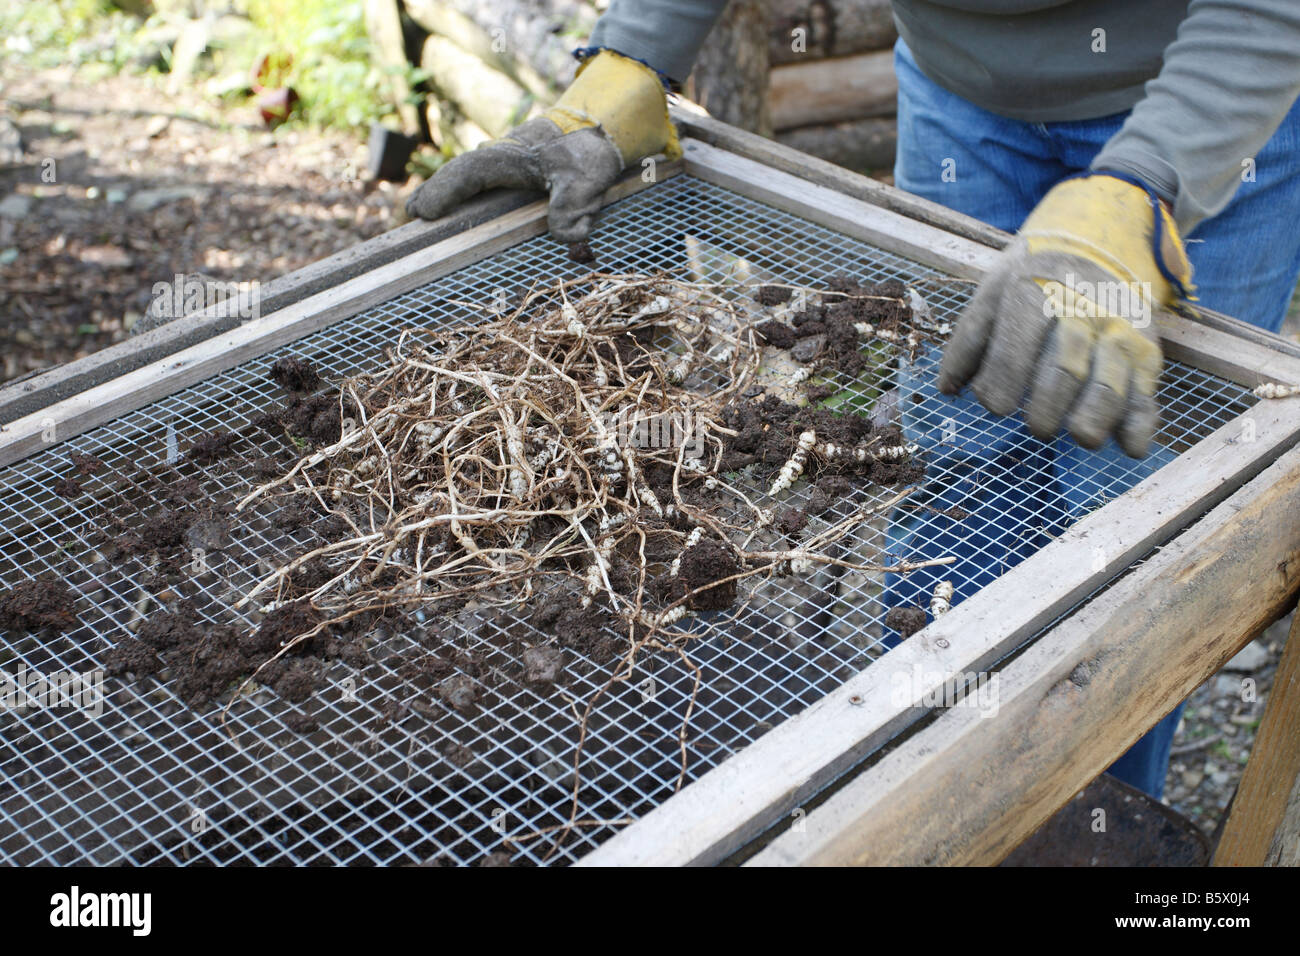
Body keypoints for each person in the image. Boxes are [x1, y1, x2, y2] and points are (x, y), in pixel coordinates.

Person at [406, 0, 1300, 799]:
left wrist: (1147, 186)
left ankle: (1091, 816)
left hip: (1202, 95)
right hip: (962, 93)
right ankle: (929, 792)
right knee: (956, 461)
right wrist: (633, 57)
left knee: (1136, 529)